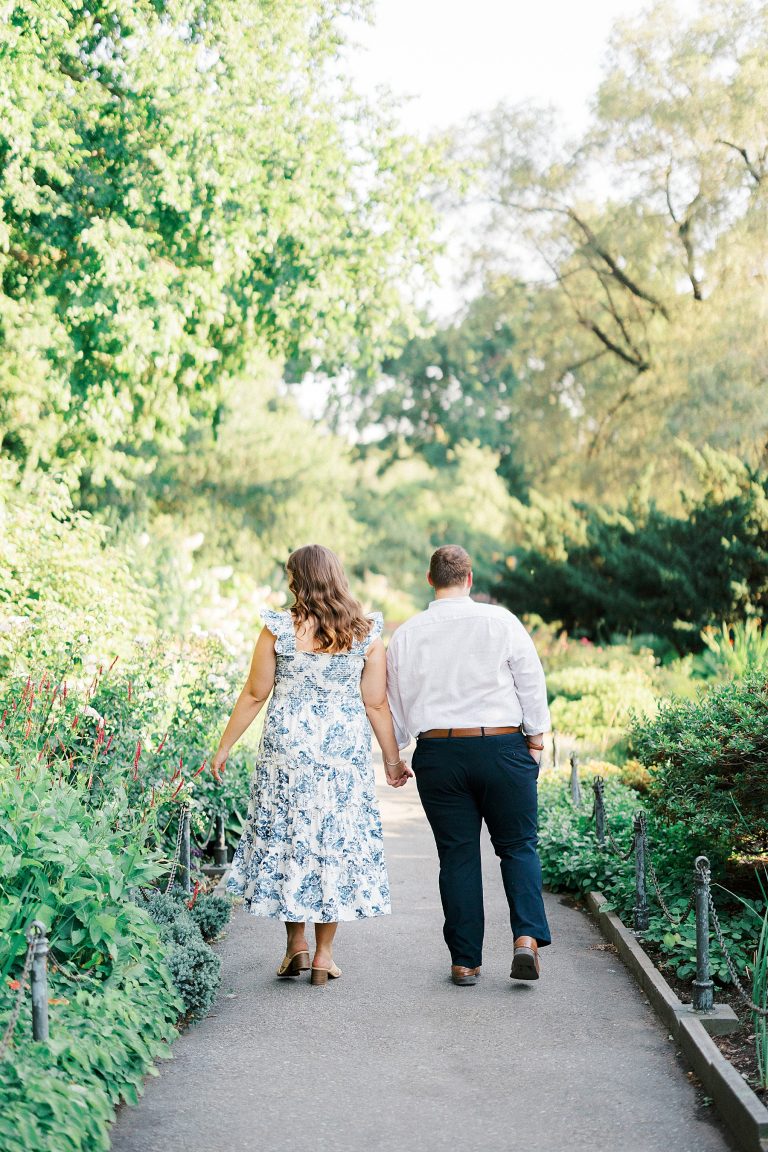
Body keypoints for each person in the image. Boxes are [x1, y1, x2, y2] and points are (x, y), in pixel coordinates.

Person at [213, 544, 411, 986]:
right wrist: (393, 761)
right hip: (341, 753)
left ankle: (295, 946)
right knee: (333, 841)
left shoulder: (279, 629)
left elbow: (254, 694)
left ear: (296, 579)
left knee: (292, 837)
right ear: (337, 576)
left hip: (288, 750)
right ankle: (324, 955)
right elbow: (376, 703)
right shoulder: (365, 632)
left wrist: (224, 746)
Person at [386, 544, 551, 986]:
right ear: (469, 578)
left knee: (456, 856)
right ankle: (526, 940)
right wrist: (535, 740)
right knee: (517, 846)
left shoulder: (407, 634)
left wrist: (397, 753)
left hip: (439, 753)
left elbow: (395, 700)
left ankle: (464, 962)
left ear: (430, 580)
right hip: (501, 746)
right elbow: (530, 680)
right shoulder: (501, 621)